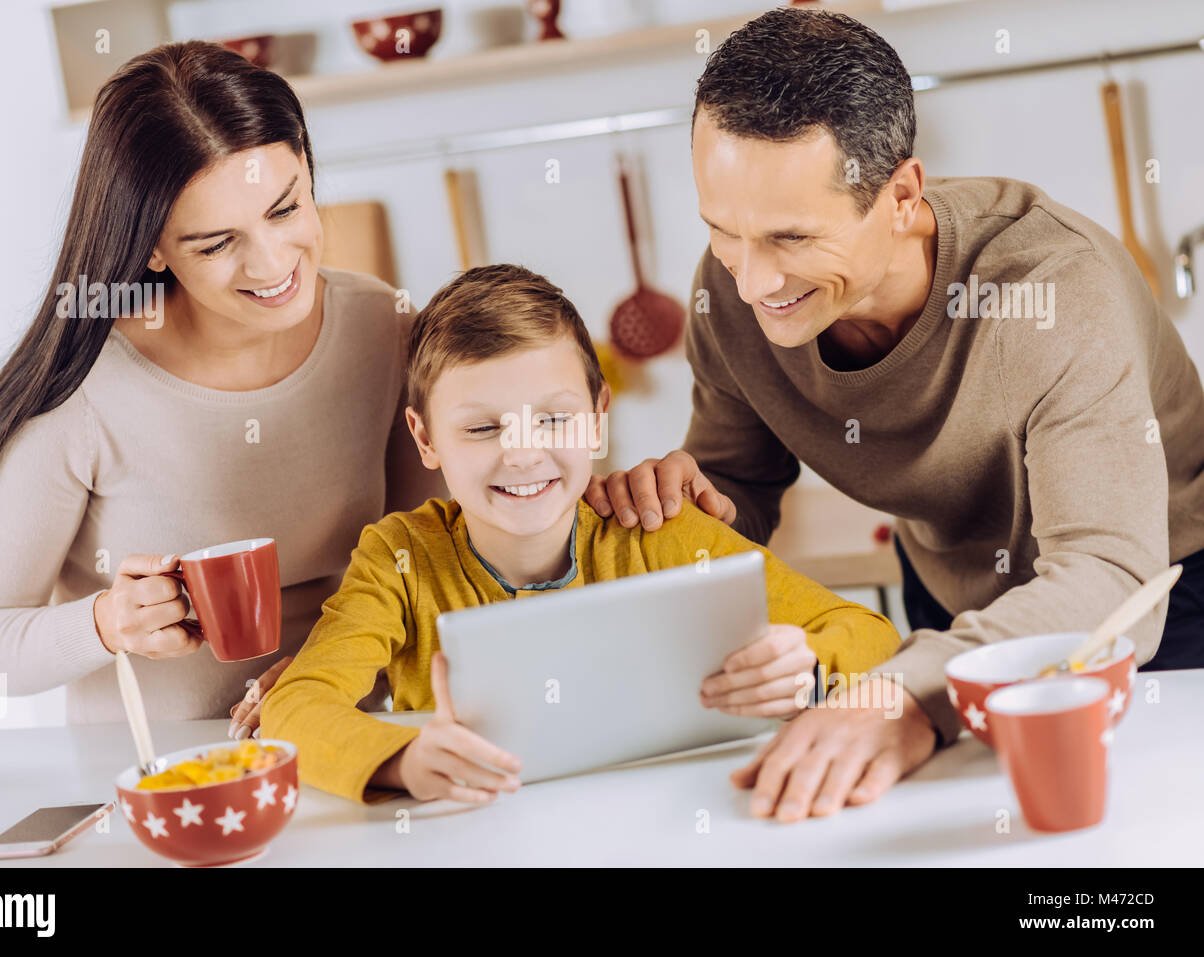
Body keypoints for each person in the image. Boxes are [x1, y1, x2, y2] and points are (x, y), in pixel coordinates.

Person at [584, 8, 1204, 822]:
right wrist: (688, 506)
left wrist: (907, 689)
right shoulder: (731, 292)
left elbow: (1107, 573)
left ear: (902, 195)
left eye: (791, 237)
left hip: (1159, 603)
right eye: (722, 230)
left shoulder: (1050, 290)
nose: (752, 280)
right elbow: (739, 479)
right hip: (954, 612)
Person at [258, 264, 901, 804]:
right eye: (482, 429)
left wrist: (811, 669)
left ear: (596, 419)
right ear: (425, 440)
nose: (523, 455)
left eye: (555, 420)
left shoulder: (659, 532)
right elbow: (295, 707)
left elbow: (872, 635)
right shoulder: (399, 557)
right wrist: (403, 761)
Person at [0, 41, 442, 724]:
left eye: (286, 209)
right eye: (216, 243)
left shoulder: (383, 326)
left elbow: (432, 554)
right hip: (164, 783)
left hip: (355, 749)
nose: (273, 264)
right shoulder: (84, 390)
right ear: (152, 248)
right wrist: (110, 621)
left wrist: (328, 666)